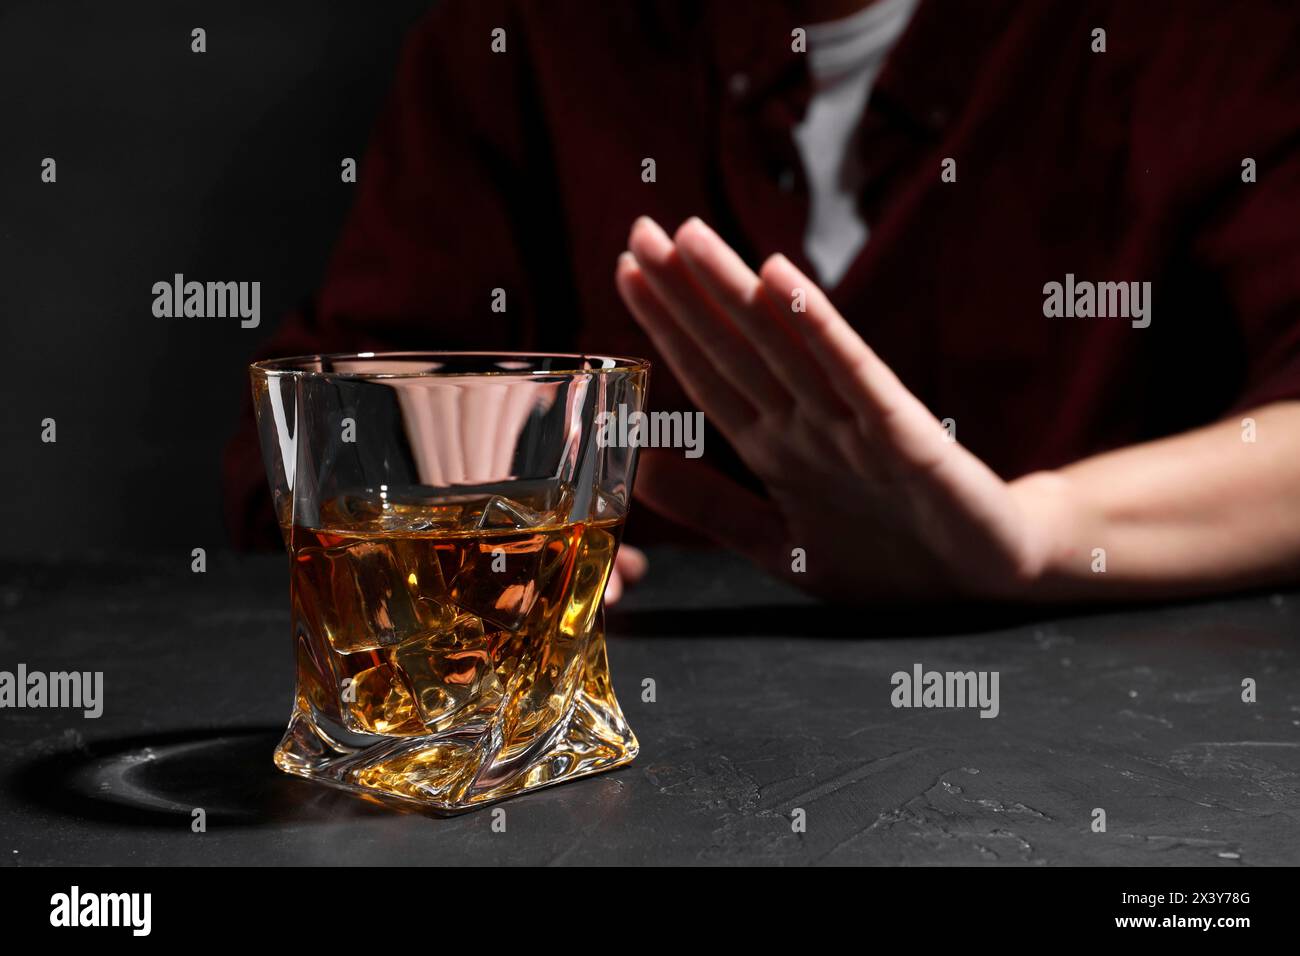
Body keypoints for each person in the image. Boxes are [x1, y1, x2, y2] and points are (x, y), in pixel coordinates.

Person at [223, 0, 1300, 604]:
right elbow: (329, 425)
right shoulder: (513, 42)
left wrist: (1035, 532)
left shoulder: (1194, 38)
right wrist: (454, 537)